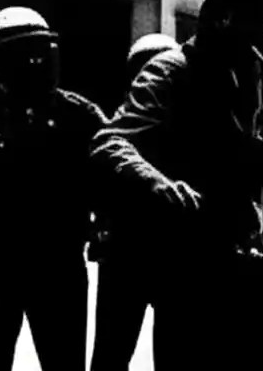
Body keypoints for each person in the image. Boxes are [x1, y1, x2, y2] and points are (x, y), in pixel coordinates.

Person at [91, 0, 263, 371]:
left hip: (241, 255)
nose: (257, 38)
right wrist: (158, 183)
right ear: (223, 18)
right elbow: (111, 141)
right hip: (187, 263)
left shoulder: (253, 68)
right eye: (253, 25)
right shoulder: (171, 70)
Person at [0, 7, 108, 371]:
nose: (34, 64)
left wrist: (106, 223)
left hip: (58, 265)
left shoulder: (78, 114)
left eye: (40, 53)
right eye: (22, 55)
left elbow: (112, 169)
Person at [90, 33, 182, 371]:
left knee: (122, 350)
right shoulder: (120, 124)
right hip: (132, 251)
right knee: (116, 350)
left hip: (152, 252)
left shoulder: (120, 122)